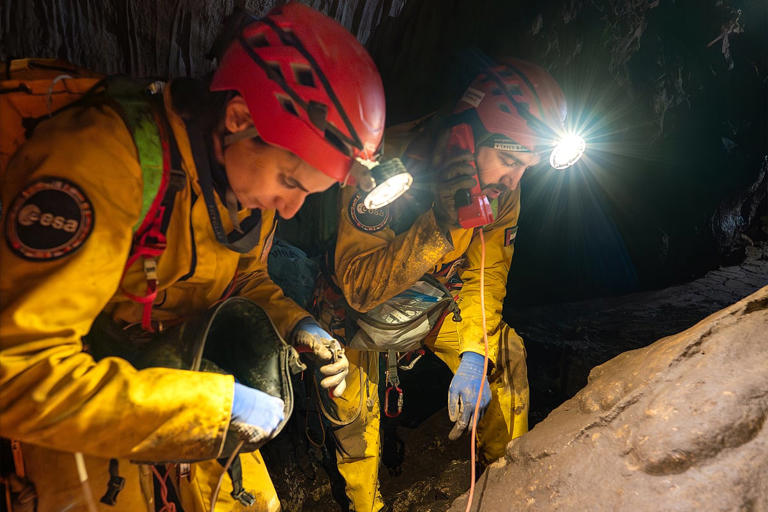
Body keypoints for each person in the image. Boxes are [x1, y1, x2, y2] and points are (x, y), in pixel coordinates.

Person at [0, 3, 385, 511]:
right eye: (290, 182)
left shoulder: (242, 185)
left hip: (180, 374)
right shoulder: (103, 161)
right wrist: (210, 409)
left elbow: (241, 280)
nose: (291, 208)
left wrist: (298, 326)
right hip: (77, 392)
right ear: (239, 118)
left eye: (308, 194)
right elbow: (21, 373)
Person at [308, 57, 572, 511]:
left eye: (525, 166)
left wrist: (474, 353)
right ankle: (363, 503)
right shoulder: (382, 164)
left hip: (432, 306)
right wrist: (442, 226)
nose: (514, 179)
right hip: (356, 316)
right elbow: (359, 288)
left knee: (502, 355)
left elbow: (487, 272)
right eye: (509, 160)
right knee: (352, 415)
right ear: (465, 137)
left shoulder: (503, 189)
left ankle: (508, 483)